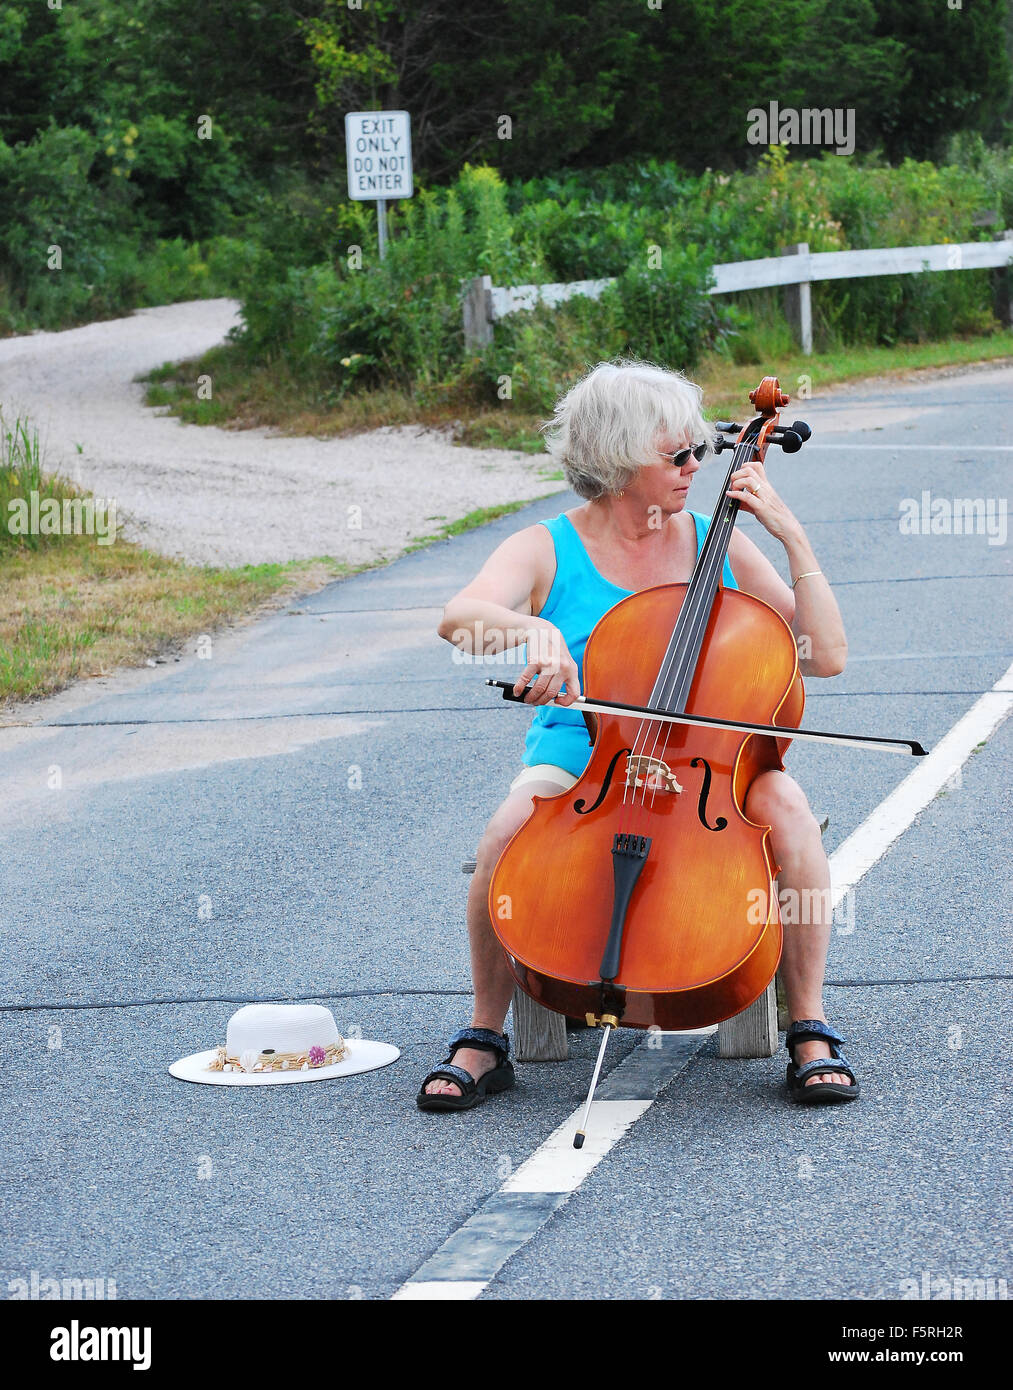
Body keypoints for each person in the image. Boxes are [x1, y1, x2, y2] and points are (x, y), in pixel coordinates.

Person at [418, 360, 859, 1112]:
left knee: (786, 807)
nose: (696, 467)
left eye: (698, 452)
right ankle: (484, 1037)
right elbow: (459, 618)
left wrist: (791, 536)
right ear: (618, 462)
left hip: (711, 759)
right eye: (677, 455)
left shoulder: (707, 538)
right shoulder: (546, 547)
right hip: (583, 749)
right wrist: (531, 632)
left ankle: (810, 1025)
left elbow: (824, 657)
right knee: (504, 833)